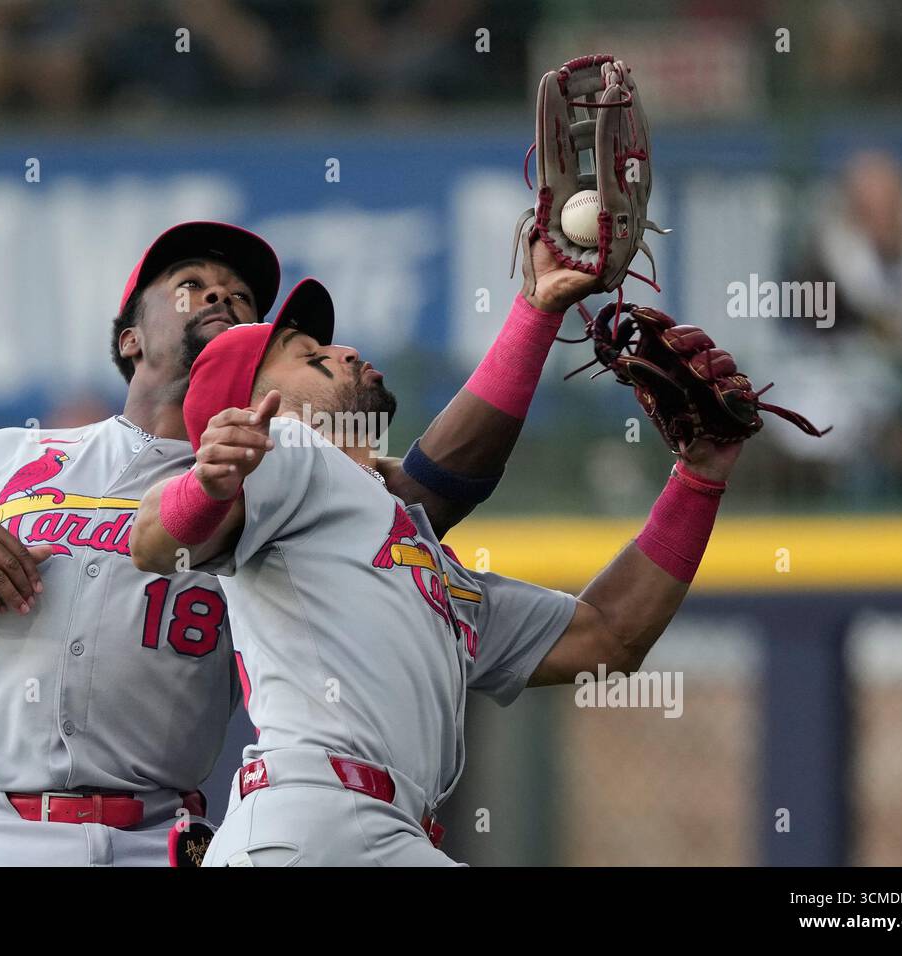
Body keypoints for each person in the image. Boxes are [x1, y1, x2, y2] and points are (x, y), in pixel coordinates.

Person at [0, 219, 596, 865]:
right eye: (192, 283)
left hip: (161, 837)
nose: (224, 295)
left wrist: (534, 312)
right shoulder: (9, 458)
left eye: (244, 298)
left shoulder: (292, 476)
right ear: (131, 338)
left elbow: (441, 480)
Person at [128, 279, 743, 866]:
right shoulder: (291, 452)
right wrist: (209, 484)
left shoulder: (420, 562)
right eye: (308, 355)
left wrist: (700, 476)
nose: (344, 350)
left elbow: (609, 636)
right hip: (315, 822)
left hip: (358, 834)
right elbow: (151, 539)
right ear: (258, 407)